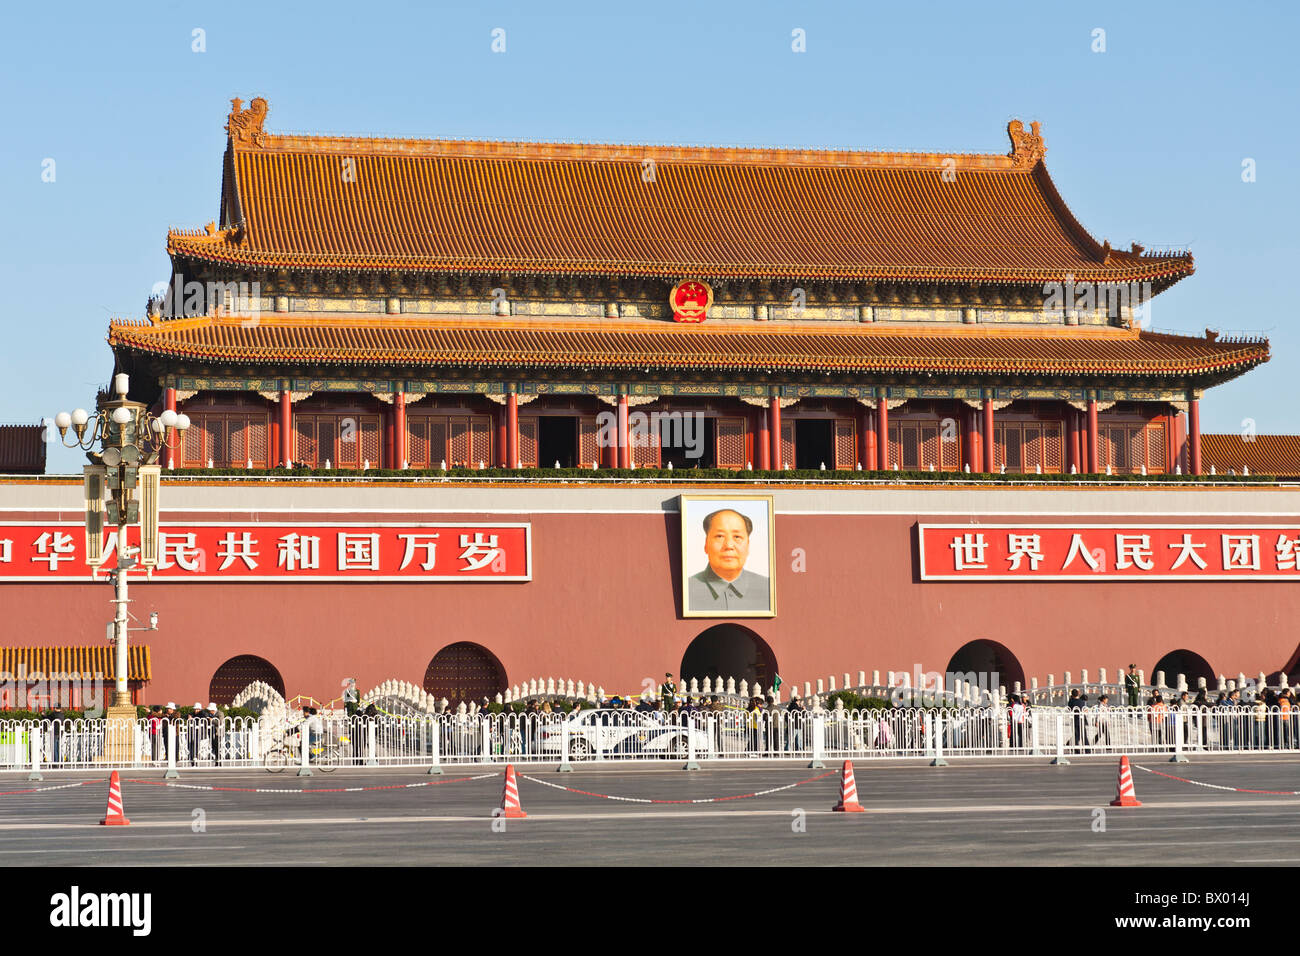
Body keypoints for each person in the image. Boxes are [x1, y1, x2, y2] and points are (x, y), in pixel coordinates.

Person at [687, 509, 771, 612]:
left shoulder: (769, 589)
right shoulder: (686, 590)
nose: (729, 545)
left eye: (737, 537)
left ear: (748, 545)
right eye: (720, 536)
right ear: (706, 544)